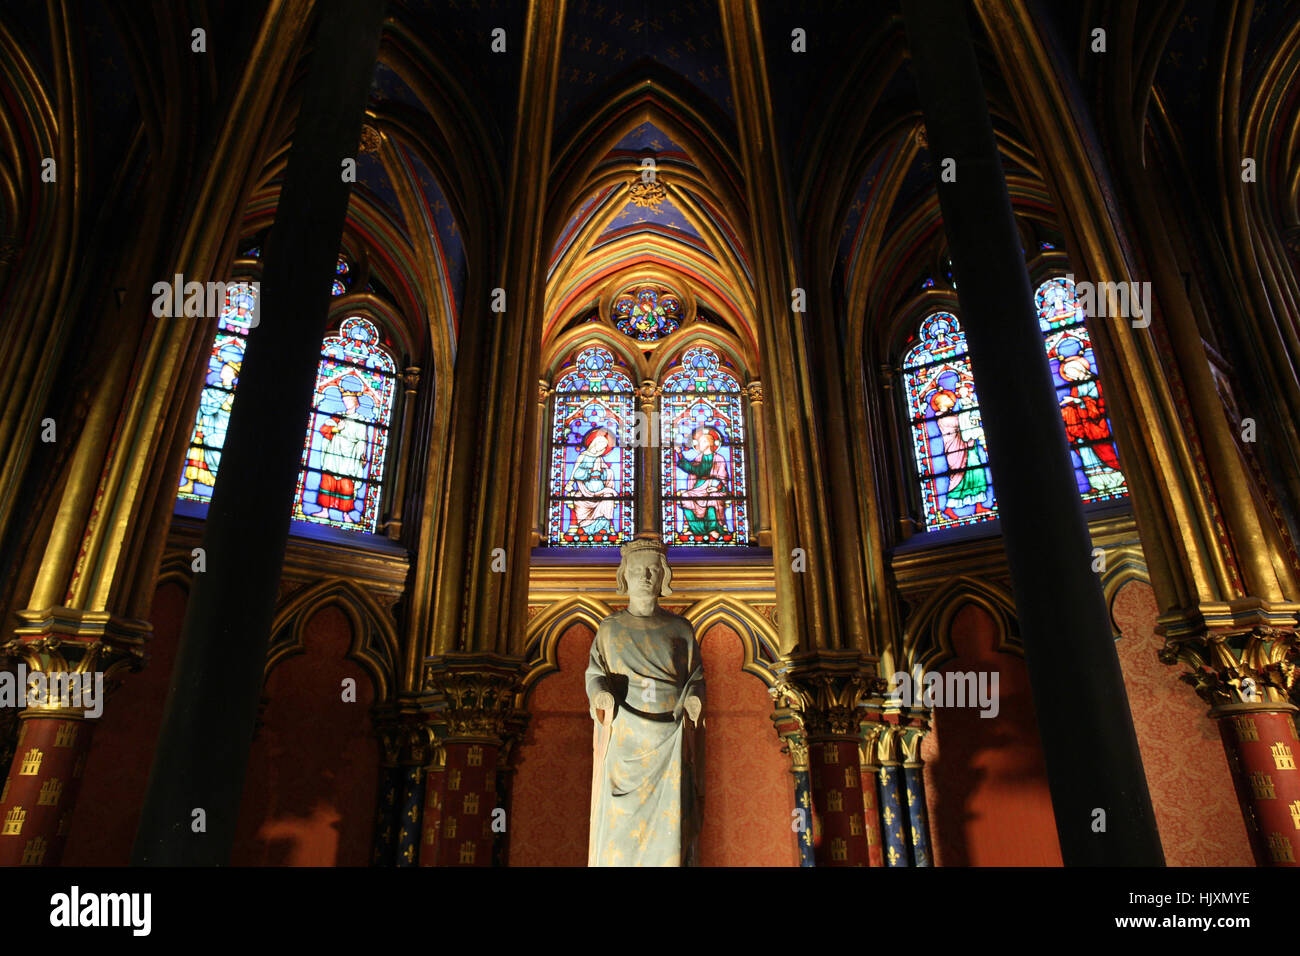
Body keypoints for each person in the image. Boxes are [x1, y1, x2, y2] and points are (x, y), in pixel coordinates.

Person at [587, 538, 705, 866]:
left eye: (653, 569)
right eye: (638, 569)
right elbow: (596, 671)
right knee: (619, 828)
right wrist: (601, 695)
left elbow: (694, 676)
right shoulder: (610, 628)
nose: (645, 576)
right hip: (626, 738)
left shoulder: (680, 628)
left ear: (664, 576)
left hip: (670, 737)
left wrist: (693, 699)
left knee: (672, 828)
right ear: (624, 575)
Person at [1058, 355, 1125, 492]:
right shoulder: (1075, 387)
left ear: (1080, 369)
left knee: (1104, 450)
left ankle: (1116, 480)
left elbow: (1097, 402)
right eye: (1069, 374)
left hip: (1096, 425)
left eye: (1072, 372)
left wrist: (1078, 401)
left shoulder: (1094, 381)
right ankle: (1097, 484)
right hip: (1082, 427)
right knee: (1086, 453)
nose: (1072, 376)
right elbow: (1076, 403)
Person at [312, 374, 373, 519]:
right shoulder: (337, 416)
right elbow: (324, 430)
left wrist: (362, 456)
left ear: (355, 402)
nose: (346, 402)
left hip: (350, 458)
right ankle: (324, 511)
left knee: (346, 486)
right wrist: (336, 429)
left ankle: (346, 515)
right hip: (333, 455)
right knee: (328, 482)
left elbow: (363, 440)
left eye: (349, 400)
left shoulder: (361, 421)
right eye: (344, 400)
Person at [930, 388, 990, 520]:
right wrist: (967, 413)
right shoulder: (942, 417)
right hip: (956, 450)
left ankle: (979, 505)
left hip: (968, 447)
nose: (951, 400)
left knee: (977, 473)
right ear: (940, 404)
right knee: (958, 477)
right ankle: (949, 509)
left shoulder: (954, 414)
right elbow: (958, 423)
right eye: (946, 399)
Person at [674, 425, 729, 541]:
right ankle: (694, 528)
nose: (700, 444)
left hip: (713, 488)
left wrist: (717, 487)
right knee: (685, 496)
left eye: (702, 441)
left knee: (712, 498)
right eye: (699, 442)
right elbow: (692, 469)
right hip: (699, 487)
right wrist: (679, 454)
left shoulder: (719, 458)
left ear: (710, 442)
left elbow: (723, 478)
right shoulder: (699, 458)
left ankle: (713, 528)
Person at [567, 427, 618, 536]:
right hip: (585, 489)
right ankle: (585, 527)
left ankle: (604, 526)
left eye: (604, 447)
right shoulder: (583, 456)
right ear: (595, 443)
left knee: (609, 497)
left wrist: (603, 473)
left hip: (600, 489)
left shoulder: (599, 459)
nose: (602, 449)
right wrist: (589, 473)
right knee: (579, 500)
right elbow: (576, 473)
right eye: (601, 445)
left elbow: (606, 472)